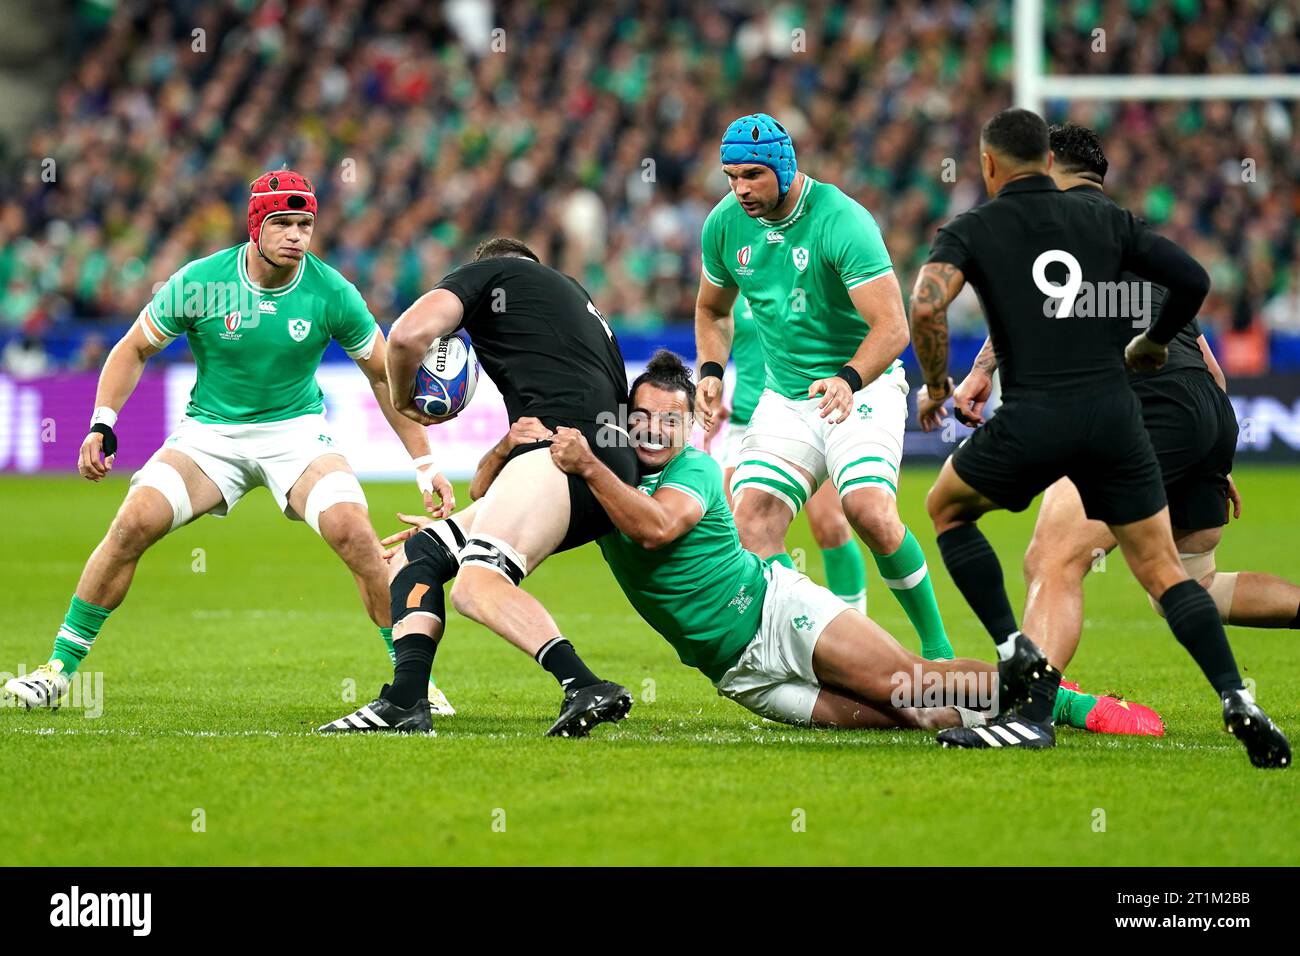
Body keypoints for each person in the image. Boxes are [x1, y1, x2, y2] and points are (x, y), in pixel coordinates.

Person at [910, 109, 1289, 767]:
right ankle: (1236, 694)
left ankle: (1029, 712)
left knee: (1052, 557)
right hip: (1203, 403)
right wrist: (1207, 449)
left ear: (1042, 167)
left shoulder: (1037, 230)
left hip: (1130, 408)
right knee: (1190, 582)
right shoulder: (1119, 232)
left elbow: (1034, 310)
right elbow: (1198, 333)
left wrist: (954, 381)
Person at [3, 171, 457, 714]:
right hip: (210, 434)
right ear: (255, 226)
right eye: (283, 223)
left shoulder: (332, 291)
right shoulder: (201, 282)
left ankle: (412, 684)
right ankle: (57, 670)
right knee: (130, 525)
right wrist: (103, 422)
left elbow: (384, 377)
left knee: (356, 536)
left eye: (306, 224)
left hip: (296, 433)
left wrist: (425, 461)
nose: (296, 236)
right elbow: (132, 349)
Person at [544, 350, 994, 730]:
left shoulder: (693, 470)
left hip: (775, 615)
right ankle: (998, 716)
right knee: (914, 717)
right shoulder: (610, 483)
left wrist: (588, 466)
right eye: (642, 418)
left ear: (687, 428)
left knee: (910, 682)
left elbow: (656, 528)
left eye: (669, 420)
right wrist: (510, 449)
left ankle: (1048, 699)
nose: (654, 430)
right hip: (739, 676)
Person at [319, 238, 634, 737]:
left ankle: (583, 684)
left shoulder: (494, 274)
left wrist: (403, 400)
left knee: (475, 584)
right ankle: (406, 701)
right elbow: (488, 490)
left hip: (562, 456)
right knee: (417, 555)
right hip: (599, 465)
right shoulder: (578, 301)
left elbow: (404, 338)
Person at [694, 113, 952, 661]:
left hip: (863, 389)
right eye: (732, 176)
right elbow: (712, 310)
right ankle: (829, 646)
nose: (740, 189)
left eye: (753, 176)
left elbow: (894, 328)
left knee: (868, 512)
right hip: (786, 400)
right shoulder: (723, 225)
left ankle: (937, 648)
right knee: (750, 528)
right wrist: (712, 372)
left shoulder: (842, 220)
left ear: (785, 169)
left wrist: (848, 377)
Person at [706, 296, 871, 618]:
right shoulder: (732, 280)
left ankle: (854, 624)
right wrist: (714, 387)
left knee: (830, 525)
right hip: (742, 421)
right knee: (735, 535)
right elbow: (714, 327)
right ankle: (794, 621)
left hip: (802, 414)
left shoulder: (799, 275)